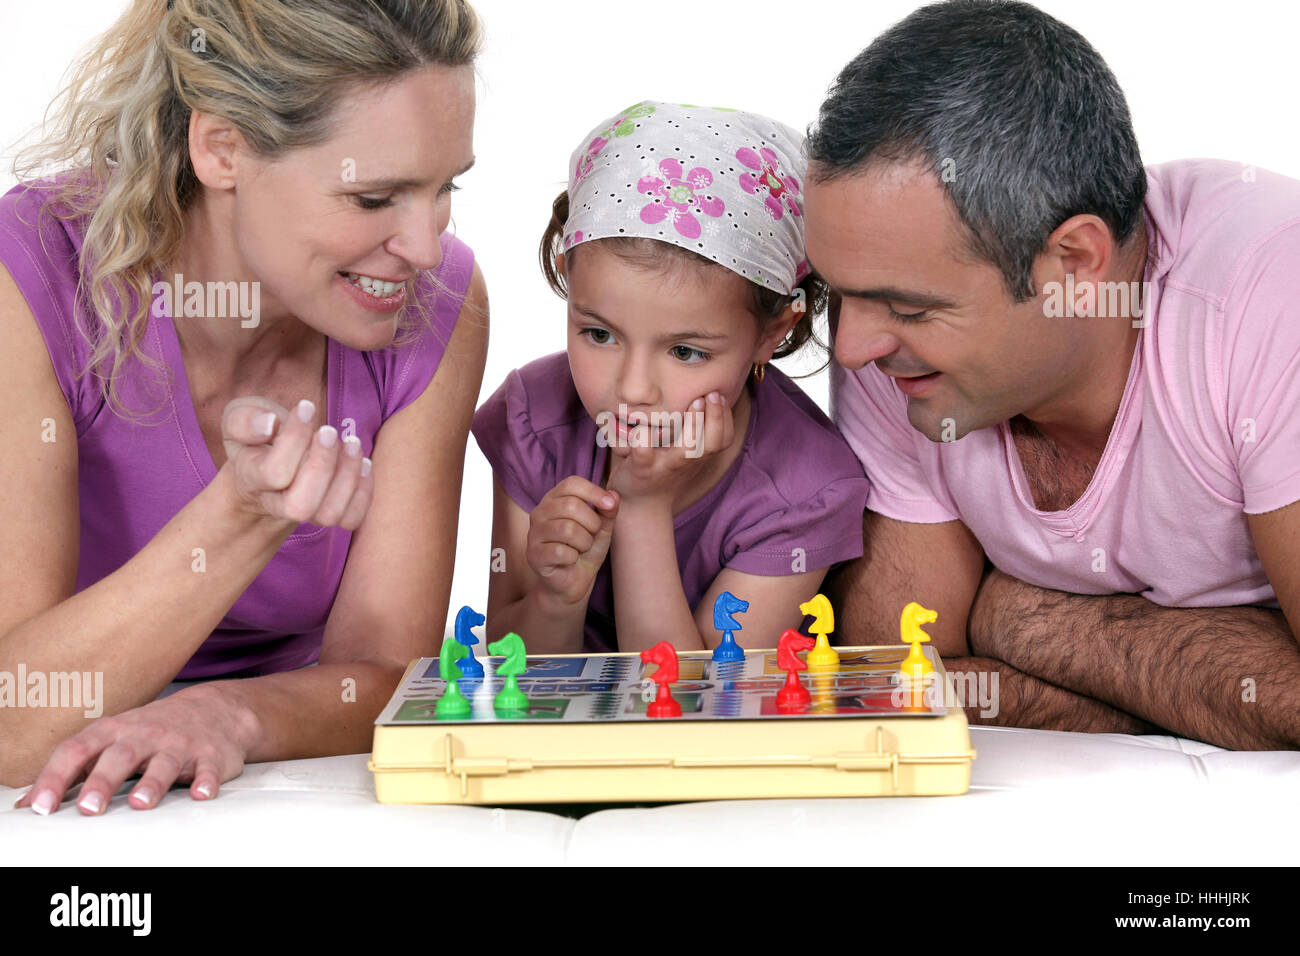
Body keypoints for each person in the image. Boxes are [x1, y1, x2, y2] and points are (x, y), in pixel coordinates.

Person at [1, 0, 489, 809]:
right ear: (222, 148)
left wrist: (229, 715)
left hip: (265, 788)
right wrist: (243, 513)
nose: (426, 246)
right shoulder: (33, 275)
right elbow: (15, 723)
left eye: (444, 188)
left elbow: (385, 674)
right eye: (375, 199)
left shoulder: (437, 303)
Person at [805, 0, 1300, 749]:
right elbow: (905, 681)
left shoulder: (1266, 298)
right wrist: (1192, 689)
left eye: (907, 307)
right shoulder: (892, 339)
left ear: (1074, 263)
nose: (849, 349)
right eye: (840, 294)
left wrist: (1016, 618)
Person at [472, 101, 868, 654]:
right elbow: (518, 667)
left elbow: (689, 694)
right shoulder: (534, 420)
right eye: (599, 334)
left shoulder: (806, 491)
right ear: (568, 279)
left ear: (772, 332)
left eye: (684, 351)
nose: (633, 389)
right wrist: (555, 598)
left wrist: (641, 507)